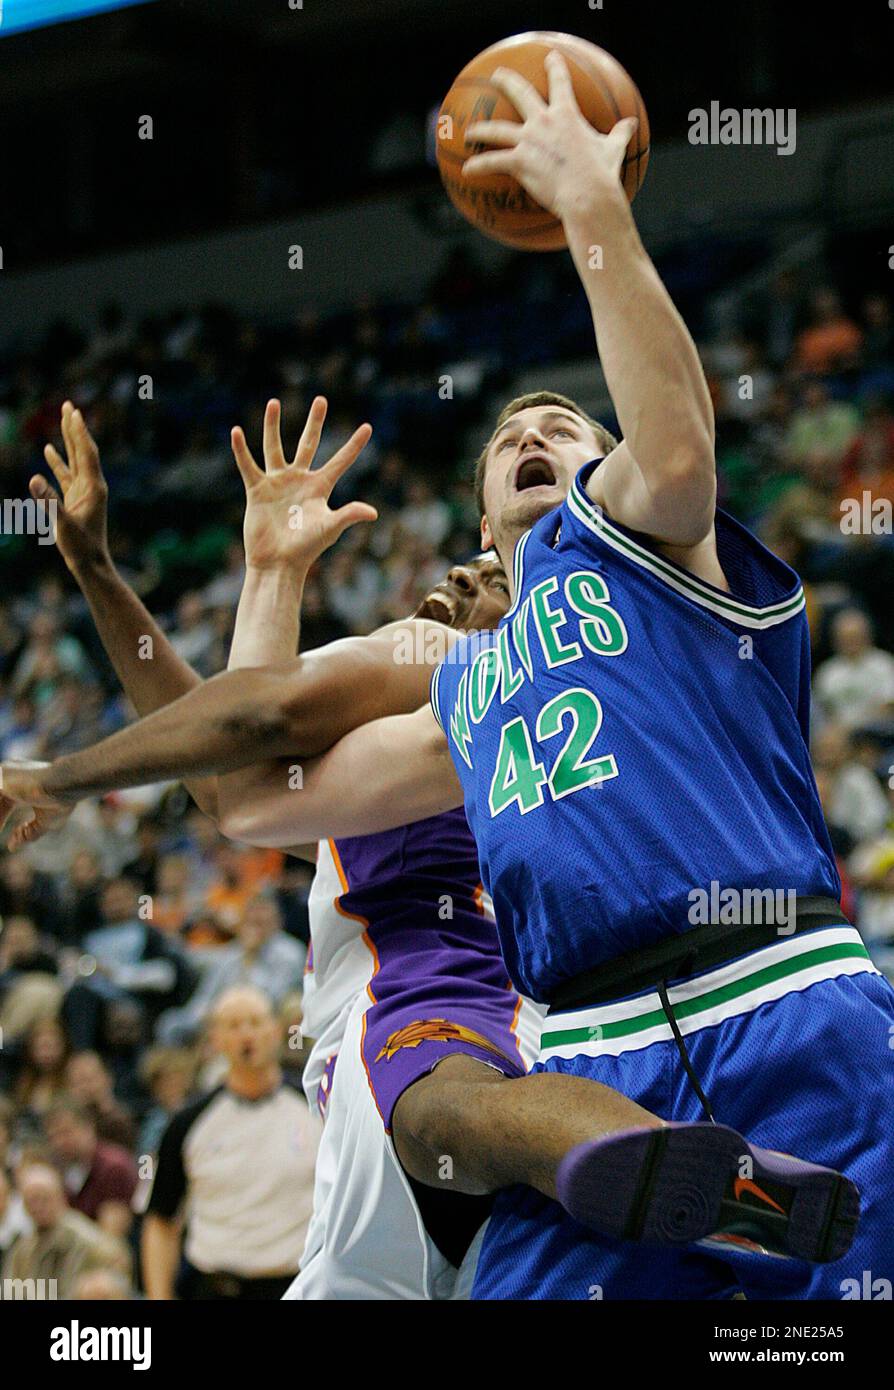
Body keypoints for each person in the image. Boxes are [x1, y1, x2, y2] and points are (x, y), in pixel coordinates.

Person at [7, 55, 889, 1301]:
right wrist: (243, 576)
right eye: (506, 436)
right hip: (579, 1043)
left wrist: (592, 207)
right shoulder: (451, 686)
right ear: (476, 521)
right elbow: (246, 787)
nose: (533, 434)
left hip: (764, 994)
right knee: (460, 1134)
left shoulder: (639, 551)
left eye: (563, 429)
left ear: (601, 469)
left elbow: (679, 449)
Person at [7, 393, 806, 1293]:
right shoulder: (486, 696)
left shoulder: (471, 676)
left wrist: (67, 764)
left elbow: (243, 754)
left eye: (483, 577)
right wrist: (196, 575)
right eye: (454, 574)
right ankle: (716, 1187)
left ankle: (685, 1175)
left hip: (439, 1027)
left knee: (435, 1145)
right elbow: (231, 763)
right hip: (566, 1048)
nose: (458, 583)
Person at [142, 985, 320, 1300]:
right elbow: (161, 1221)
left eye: (255, 1022)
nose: (246, 1035)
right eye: (234, 1026)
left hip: (298, 1285)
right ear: (216, 1039)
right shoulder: (187, 1124)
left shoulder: (315, 1110)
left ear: (276, 1031)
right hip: (217, 1287)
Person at [2, 1160, 130, 1299]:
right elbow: (10, 1291)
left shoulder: (86, 1238)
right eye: (31, 1200)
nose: (37, 1206)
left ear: (60, 1196)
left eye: (43, 1198)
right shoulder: (24, 1248)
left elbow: (118, 1267)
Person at [43, 1097, 137, 1238]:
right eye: (54, 1136)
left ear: (88, 1127)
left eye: (66, 1132)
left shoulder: (114, 1167)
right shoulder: (58, 1170)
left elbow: (111, 1237)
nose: (60, 1142)